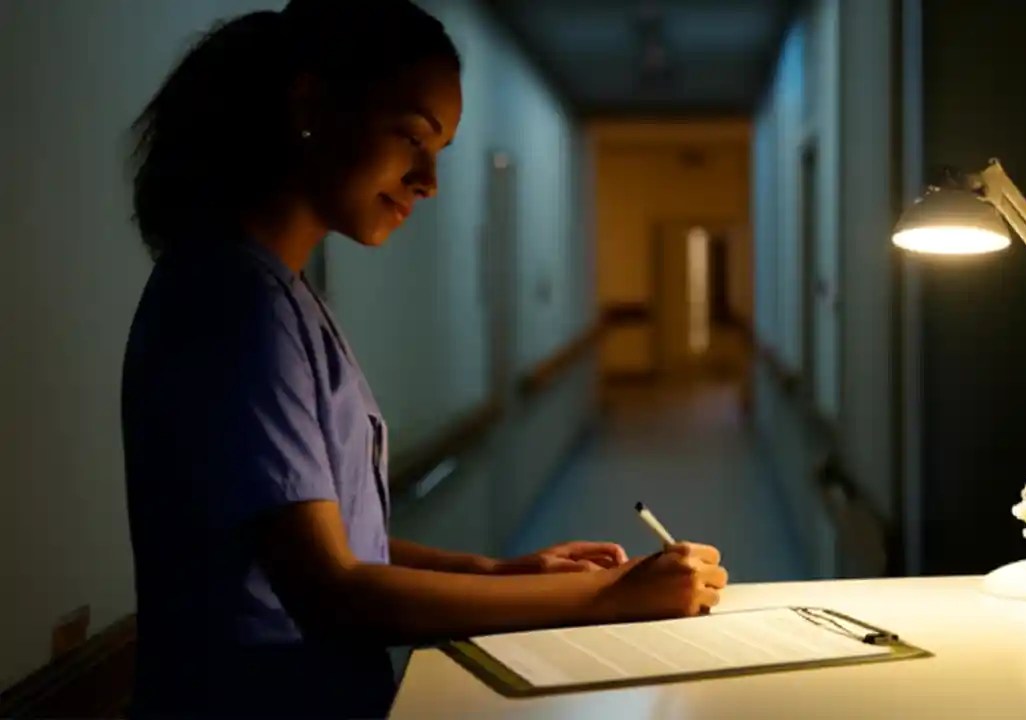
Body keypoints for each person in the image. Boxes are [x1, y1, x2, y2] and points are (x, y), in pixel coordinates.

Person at [120, 1, 728, 716]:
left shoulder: (276, 297)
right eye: (412, 136)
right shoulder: (236, 302)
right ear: (310, 107)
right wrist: (611, 595)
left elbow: (332, 540)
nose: (428, 181)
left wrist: (501, 573)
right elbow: (333, 591)